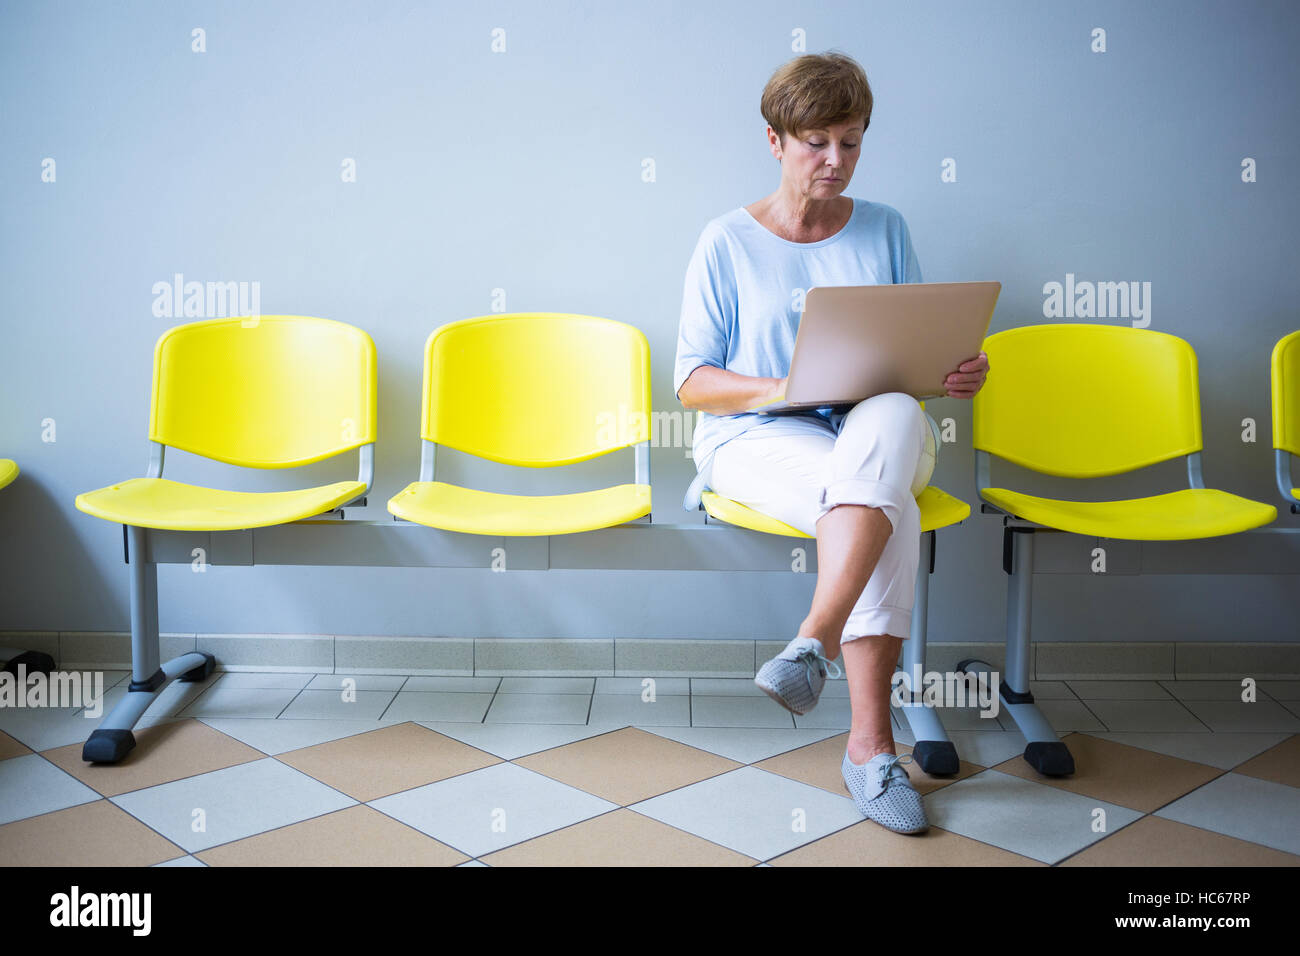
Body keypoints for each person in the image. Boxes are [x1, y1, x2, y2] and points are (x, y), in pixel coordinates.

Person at [673, 51, 989, 834]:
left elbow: (906, 358)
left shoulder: (886, 228)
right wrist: (780, 387)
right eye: (817, 142)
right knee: (887, 511)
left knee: (889, 418)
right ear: (774, 140)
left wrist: (951, 371)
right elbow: (692, 383)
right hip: (756, 436)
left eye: (851, 142)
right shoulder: (725, 241)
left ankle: (811, 643)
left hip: (873, 428)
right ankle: (870, 749)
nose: (835, 161)